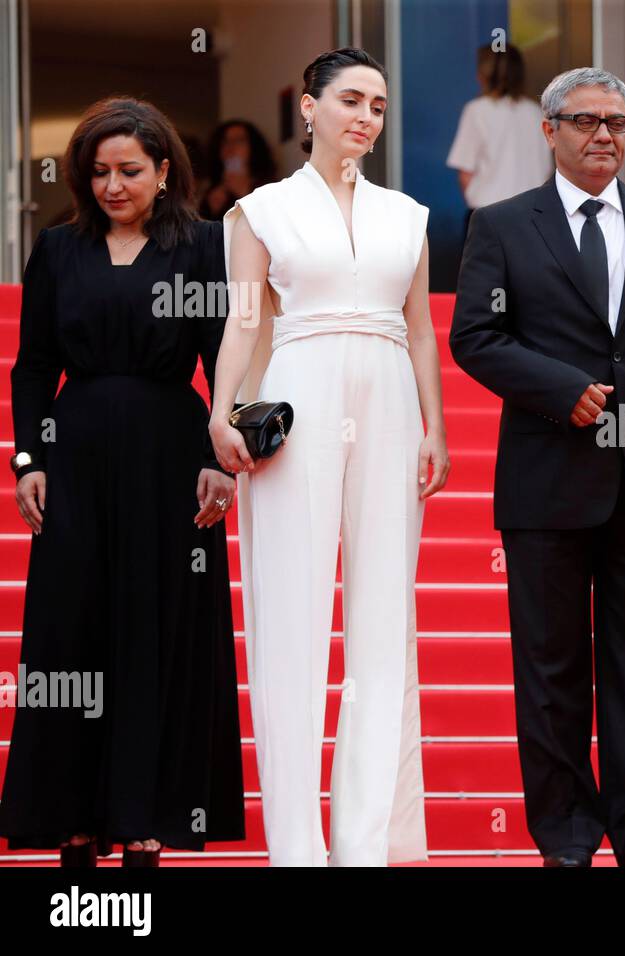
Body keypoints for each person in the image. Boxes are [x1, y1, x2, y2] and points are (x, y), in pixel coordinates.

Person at [449, 66, 625, 867]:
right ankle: (567, 833)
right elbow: (477, 338)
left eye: (617, 122)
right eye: (584, 120)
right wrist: (562, 391)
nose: (603, 134)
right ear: (549, 131)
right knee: (550, 670)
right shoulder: (501, 226)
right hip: (545, 482)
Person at [207, 47, 450, 866]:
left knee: (384, 623)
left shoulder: (407, 215)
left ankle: (364, 843)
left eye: (378, 105)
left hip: (388, 394)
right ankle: (298, 852)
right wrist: (220, 412)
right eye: (351, 99)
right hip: (299, 393)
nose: (366, 117)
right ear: (308, 108)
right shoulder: (259, 212)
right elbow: (243, 321)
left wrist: (435, 425)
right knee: (290, 620)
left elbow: (420, 329)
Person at [0, 97, 244, 866]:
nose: (113, 186)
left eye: (130, 171)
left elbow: (225, 357)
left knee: (158, 632)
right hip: (75, 458)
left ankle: (146, 821)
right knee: (72, 638)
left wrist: (222, 456)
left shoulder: (205, 246)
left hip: (174, 458)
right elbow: (35, 366)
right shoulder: (59, 249)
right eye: (99, 172)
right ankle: (72, 821)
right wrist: (29, 460)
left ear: (165, 170)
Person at [446, 42, 553, 236]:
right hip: (534, 217)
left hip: (488, 214)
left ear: (485, 75)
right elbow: (547, 170)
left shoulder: (477, 110)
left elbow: (465, 173)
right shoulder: (537, 113)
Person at [198, 119, 277, 220]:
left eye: (239, 140)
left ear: (253, 147)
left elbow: (272, 224)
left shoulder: (269, 187)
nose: (230, 147)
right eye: (225, 142)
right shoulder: (211, 190)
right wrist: (211, 210)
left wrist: (242, 193)